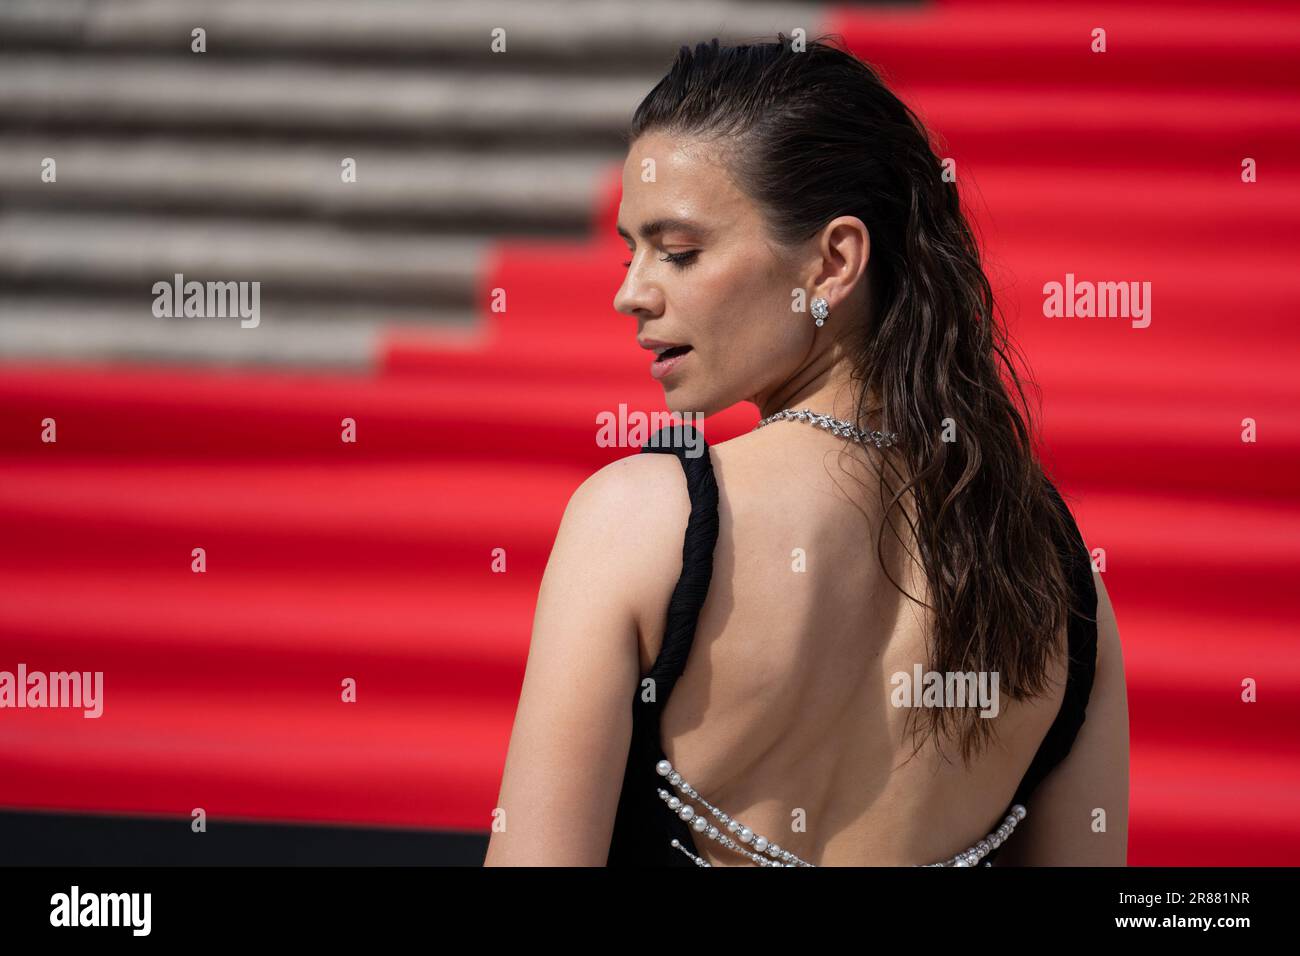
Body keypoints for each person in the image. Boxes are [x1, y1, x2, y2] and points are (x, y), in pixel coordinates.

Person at [484, 34, 1128, 867]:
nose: (630, 292)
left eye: (679, 253)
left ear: (833, 263)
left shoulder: (637, 521)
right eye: (629, 251)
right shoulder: (1056, 569)